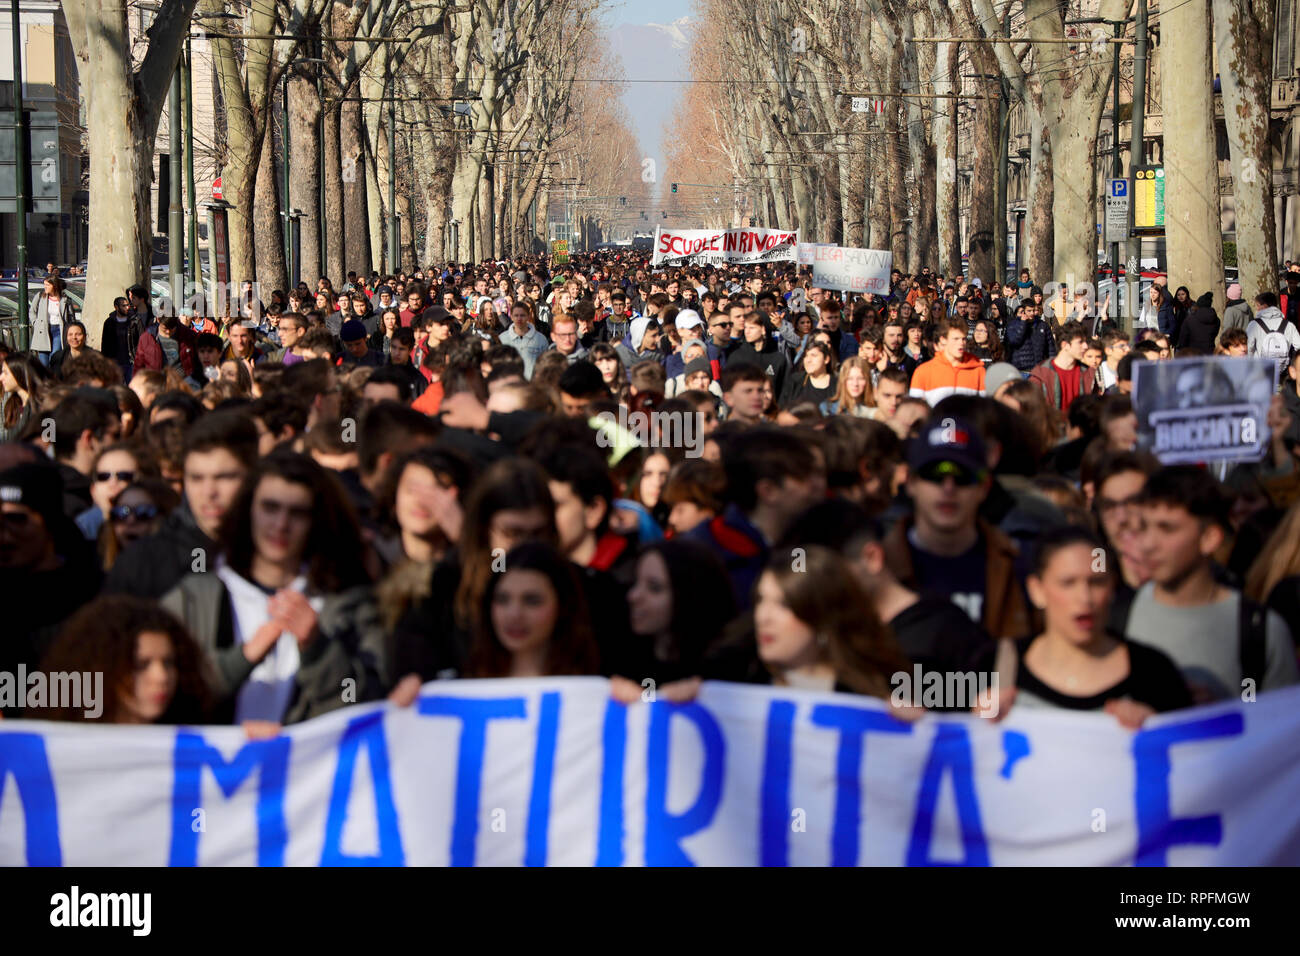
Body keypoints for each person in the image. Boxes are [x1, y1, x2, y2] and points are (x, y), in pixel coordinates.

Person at [160, 451, 385, 725]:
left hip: (308, 765)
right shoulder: (192, 598)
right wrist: (239, 660)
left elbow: (369, 705)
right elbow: (163, 699)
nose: (281, 525)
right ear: (248, 509)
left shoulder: (352, 603)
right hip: (214, 765)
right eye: (270, 507)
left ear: (316, 521)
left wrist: (318, 650)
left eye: (297, 513)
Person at [986, 526, 1191, 726]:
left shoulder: (1154, 672)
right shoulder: (993, 664)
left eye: (1097, 582)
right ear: (1037, 590)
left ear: (1112, 587)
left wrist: (1157, 728)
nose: (1085, 598)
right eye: (1068, 583)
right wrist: (977, 717)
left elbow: (1190, 750)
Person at [1126, 465, 1298, 702]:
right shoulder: (1117, 614)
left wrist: (1224, 711)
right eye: (1143, 527)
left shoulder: (1260, 631)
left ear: (1209, 539)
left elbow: (1278, 726)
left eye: (1167, 528)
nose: (1148, 544)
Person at [881, 416, 1030, 639]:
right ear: (910, 482)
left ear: (984, 487)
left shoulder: (1019, 567)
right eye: (935, 474)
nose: (948, 488)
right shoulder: (879, 567)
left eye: (962, 476)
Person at [104, 410, 258, 598]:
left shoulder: (280, 550)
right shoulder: (142, 564)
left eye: (224, 477)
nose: (209, 492)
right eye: (196, 478)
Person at [37, 595, 211, 723]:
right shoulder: (61, 746)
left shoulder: (197, 743)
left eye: (168, 663)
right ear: (100, 669)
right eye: (141, 665)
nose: (161, 677)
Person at [468, 541, 600, 678]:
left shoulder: (600, 687)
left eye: (532, 601)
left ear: (563, 606)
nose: (514, 614)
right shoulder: (464, 684)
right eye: (502, 599)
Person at [909, 316, 986, 405]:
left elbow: (983, 410)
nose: (961, 343)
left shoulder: (978, 371)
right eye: (956, 339)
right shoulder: (923, 372)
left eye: (963, 339)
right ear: (943, 340)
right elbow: (914, 411)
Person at [1028, 320, 1090, 415]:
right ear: (1065, 345)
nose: (1086, 346)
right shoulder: (1041, 377)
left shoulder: (1089, 373)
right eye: (1080, 342)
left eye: (1086, 342)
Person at [28, 274, 78, 366]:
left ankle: (54, 377)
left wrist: (70, 330)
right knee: (44, 361)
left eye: (47, 285)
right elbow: (32, 311)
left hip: (59, 330)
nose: (45, 287)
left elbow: (71, 317)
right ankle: (45, 379)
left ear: (54, 286)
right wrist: (35, 323)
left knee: (55, 357)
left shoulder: (65, 299)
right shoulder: (40, 296)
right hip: (43, 330)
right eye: (44, 285)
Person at [0, 352, 46, 443]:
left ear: (20, 372)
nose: (1, 378)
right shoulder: (13, 406)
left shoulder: (45, 406)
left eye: (5, 373)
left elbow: (50, 443)